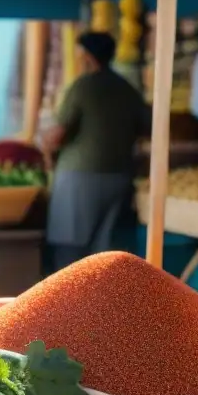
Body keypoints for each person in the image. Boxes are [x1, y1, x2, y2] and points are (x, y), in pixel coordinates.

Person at [42, 32, 151, 272]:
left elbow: (59, 134)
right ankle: (104, 307)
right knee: (107, 256)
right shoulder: (127, 89)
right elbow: (147, 128)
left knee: (70, 256)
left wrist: (46, 147)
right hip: (119, 178)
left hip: (80, 180)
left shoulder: (83, 86)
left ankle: (68, 306)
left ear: (88, 56)